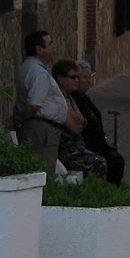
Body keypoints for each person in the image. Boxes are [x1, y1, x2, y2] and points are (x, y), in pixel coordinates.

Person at [12, 30, 78, 170]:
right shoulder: (38, 73)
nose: (54, 47)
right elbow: (34, 105)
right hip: (42, 130)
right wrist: (18, 119)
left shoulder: (30, 68)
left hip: (39, 128)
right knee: (44, 172)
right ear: (39, 49)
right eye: (50, 43)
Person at [68, 59, 125, 183]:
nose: (88, 81)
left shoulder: (84, 98)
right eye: (84, 77)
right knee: (112, 162)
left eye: (90, 77)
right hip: (86, 146)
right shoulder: (73, 99)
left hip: (97, 145)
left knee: (117, 160)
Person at [50, 61, 109, 178]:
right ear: (61, 79)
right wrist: (81, 122)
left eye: (78, 77)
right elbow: (76, 128)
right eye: (73, 77)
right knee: (99, 163)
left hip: (78, 148)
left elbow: (83, 122)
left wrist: (82, 122)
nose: (77, 80)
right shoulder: (59, 100)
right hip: (67, 152)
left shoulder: (70, 98)